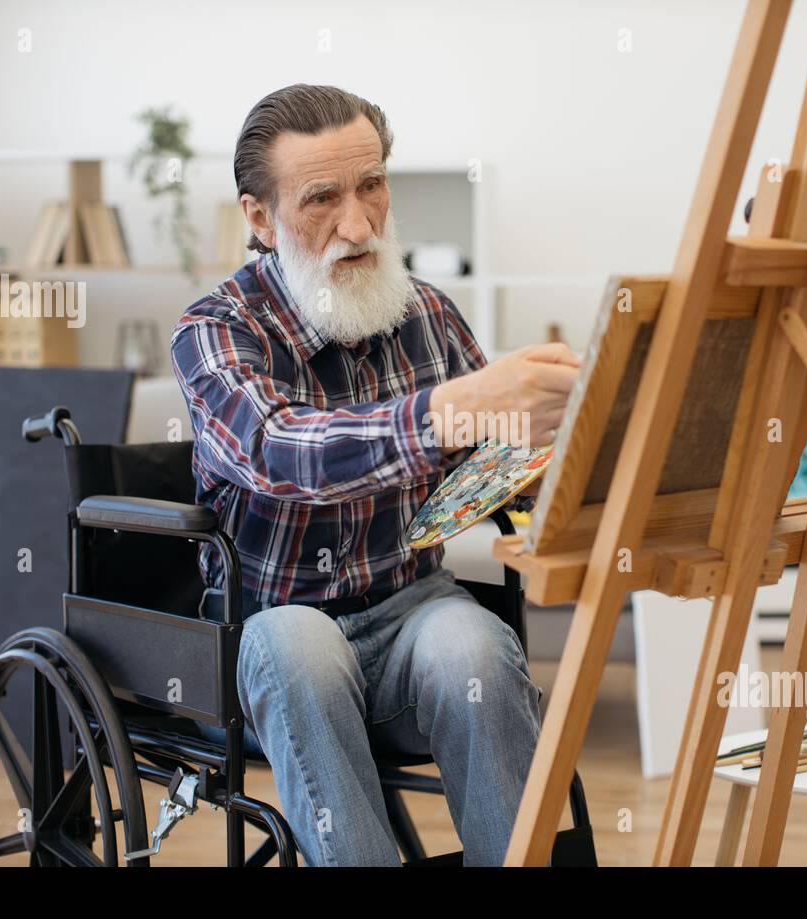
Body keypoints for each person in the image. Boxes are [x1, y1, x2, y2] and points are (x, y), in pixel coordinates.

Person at [171, 84, 579, 865]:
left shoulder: (426, 312)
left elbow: (493, 464)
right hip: (276, 629)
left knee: (476, 648)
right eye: (321, 198)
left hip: (412, 610)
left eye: (372, 186)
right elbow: (280, 451)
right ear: (259, 218)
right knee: (299, 648)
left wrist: (564, 439)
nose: (358, 226)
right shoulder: (215, 331)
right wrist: (448, 410)